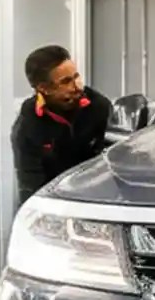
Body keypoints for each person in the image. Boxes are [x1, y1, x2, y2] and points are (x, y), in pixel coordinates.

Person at [11, 45, 111, 205]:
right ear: (44, 88)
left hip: (97, 199)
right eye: (66, 82)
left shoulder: (98, 107)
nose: (77, 86)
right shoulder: (28, 126)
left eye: (76, 76)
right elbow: (30, 187)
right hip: (55, 204)